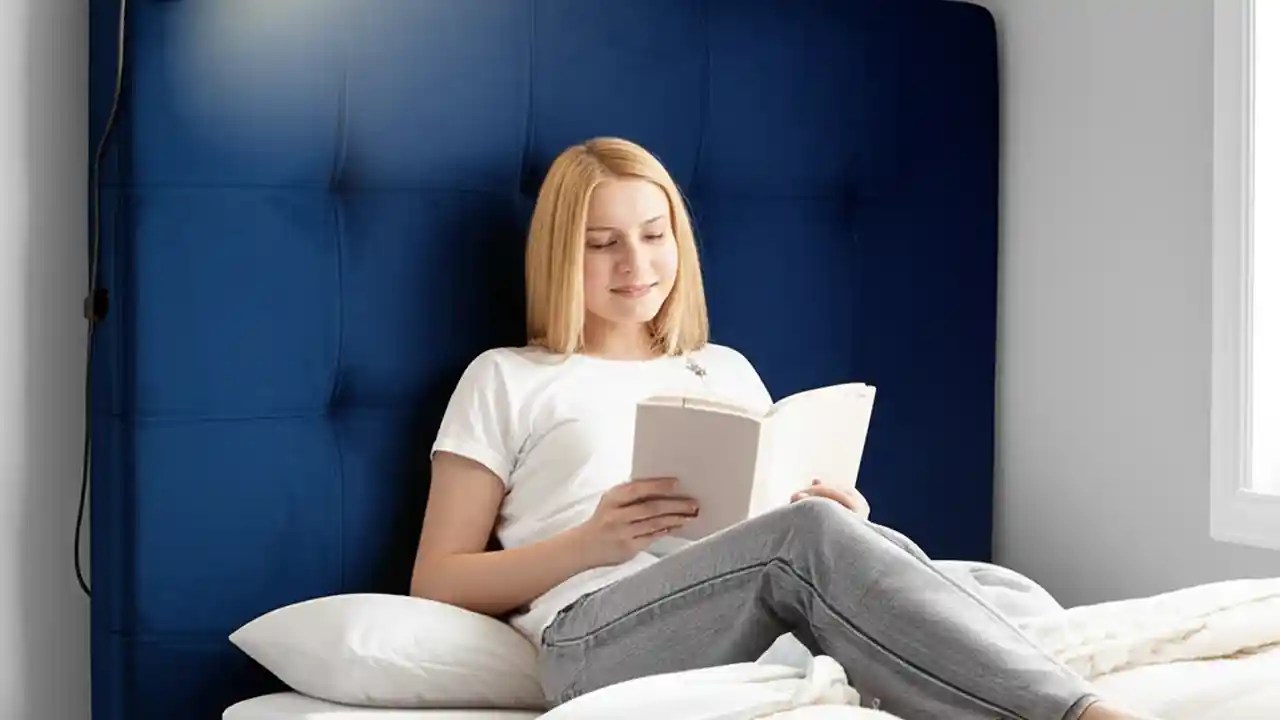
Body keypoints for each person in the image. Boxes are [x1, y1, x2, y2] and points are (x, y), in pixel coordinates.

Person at [409, 137, 1157, 720]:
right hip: (592, 636)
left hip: (745, 607)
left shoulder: (723, 368)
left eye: (653, 234)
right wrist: (590, 544)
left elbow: (772, 532)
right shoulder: (506, 377)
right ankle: (1078, 713)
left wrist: (837, 520)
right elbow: (436, 579)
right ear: (561, 254)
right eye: (602, 243)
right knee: (808, 545)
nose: (635, 263)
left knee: (979, 581)